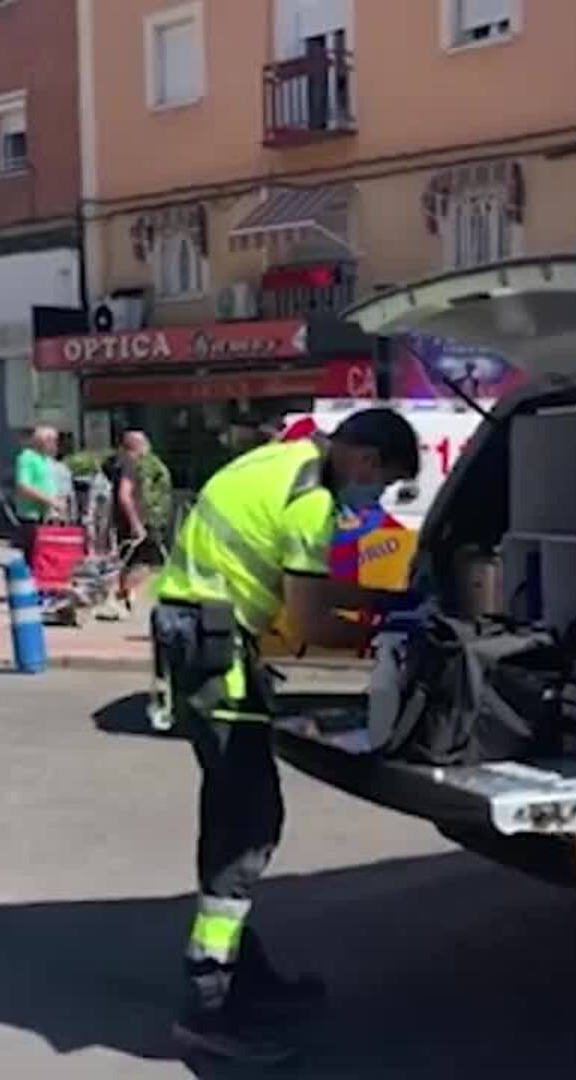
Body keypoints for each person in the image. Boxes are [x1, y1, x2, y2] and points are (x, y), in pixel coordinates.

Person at [150, 408, 420, 1063]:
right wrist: (389, 632)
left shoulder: (281, 459)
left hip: (191, 634)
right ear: (364, 459)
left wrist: (384, 600)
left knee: (233, 809)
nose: (374, 500)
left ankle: (246, 976)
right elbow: (309, 621)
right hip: (215, 651)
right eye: (381, 486)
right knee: (247, 824)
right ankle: (209, 1004)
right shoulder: (311, 502)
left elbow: (312, 592)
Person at [102, 430, 160, 613]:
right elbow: (124, 495)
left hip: (121, 519)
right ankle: (125, 593)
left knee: (128, 561)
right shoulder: (130, 465)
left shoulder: (117, 464)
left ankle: (122, 595)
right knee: (147, 562)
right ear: (138, 446)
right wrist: (136, 523)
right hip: (132, 519)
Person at [12, 426, 61, 564]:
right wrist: (49, 500)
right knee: (32, 553)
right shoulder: (26, 458)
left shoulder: (45, 459)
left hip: (47, 515)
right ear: (41, 442)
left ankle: (43, 582)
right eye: (52, 441)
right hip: (31, 514)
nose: (55, 445)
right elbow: (23, 486)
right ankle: (30, 583)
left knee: (45, 554)